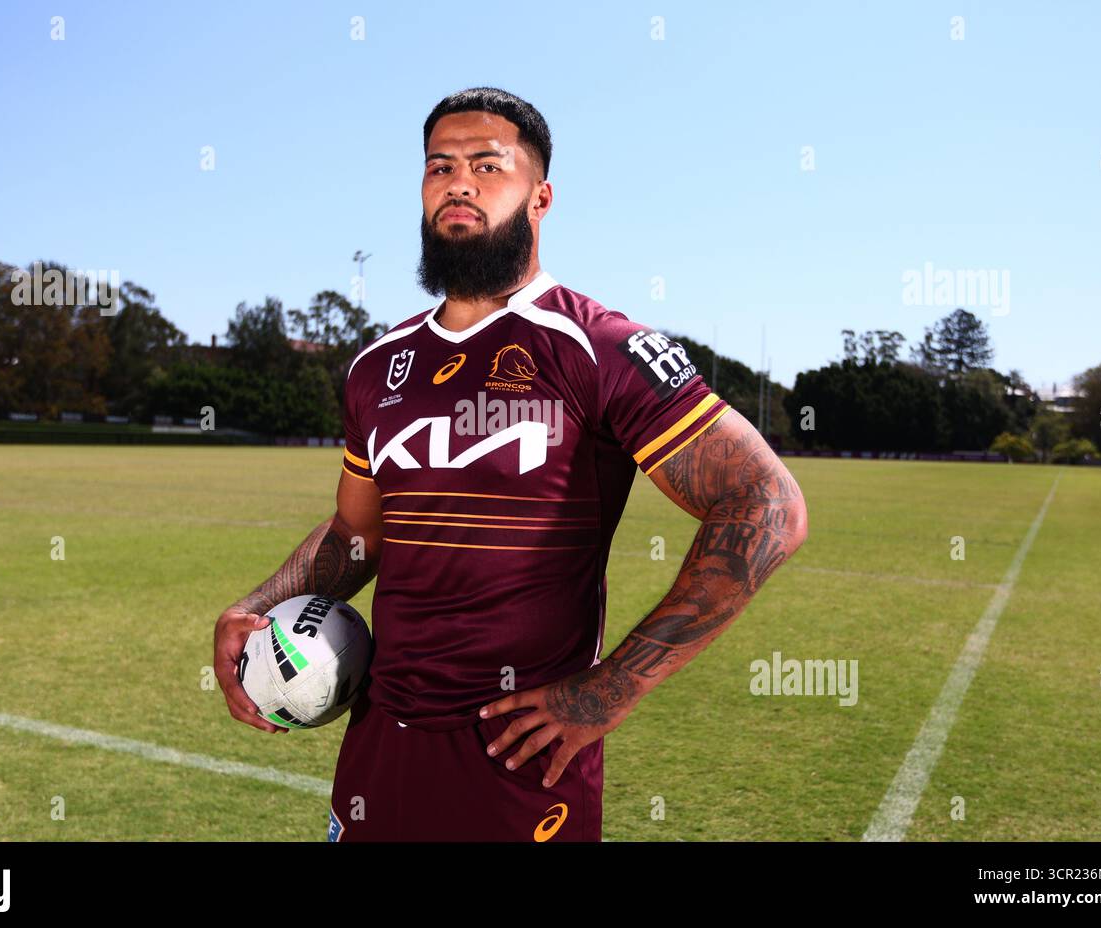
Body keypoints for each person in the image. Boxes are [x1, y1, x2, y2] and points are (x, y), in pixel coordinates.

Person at [213, 87, 808, 842]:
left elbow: (768, 503)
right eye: (440, 167)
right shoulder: (378, 366)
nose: (458, 183)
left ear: (540, 198)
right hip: (379, 743)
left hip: (523, 762)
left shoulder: (600, 347)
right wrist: (254, 606)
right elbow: (358, 535)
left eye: (487, 166)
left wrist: (611, 689)